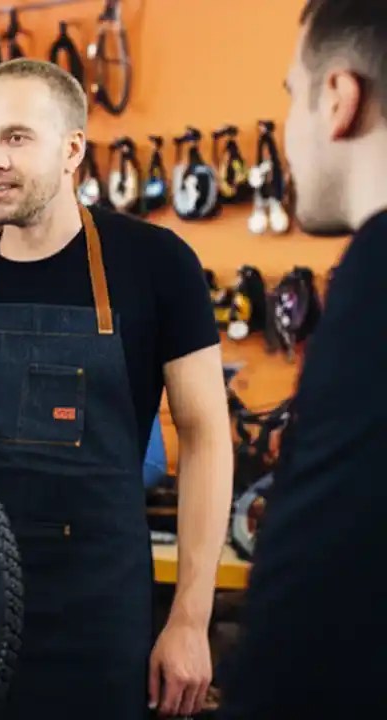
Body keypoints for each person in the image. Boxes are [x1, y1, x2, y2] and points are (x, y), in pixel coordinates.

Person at [0, 58, 234, 719]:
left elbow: (206, 438)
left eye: (17, 138)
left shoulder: (158, 265)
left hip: (99, 609)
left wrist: (190, 619)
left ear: (72, 151)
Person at [218, 2, 387, 718]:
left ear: (339, 99)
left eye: (292, 94)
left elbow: (315, 601)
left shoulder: (375, 282)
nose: (289, 131)